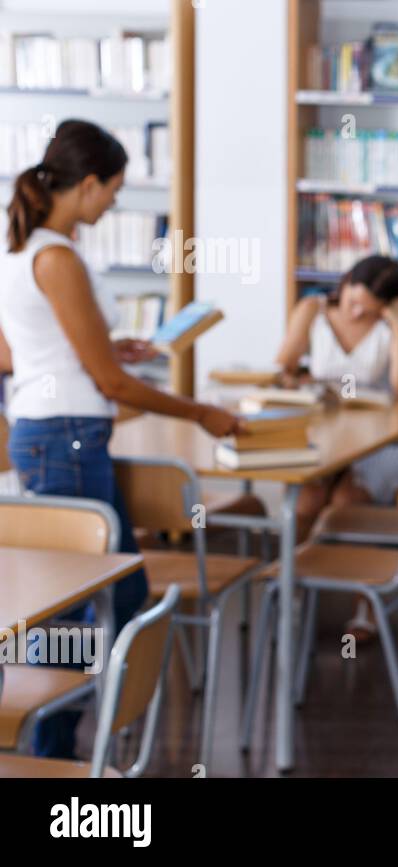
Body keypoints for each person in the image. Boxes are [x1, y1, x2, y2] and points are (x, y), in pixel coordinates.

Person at [0, 119, 244, 758]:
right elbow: (112, 385)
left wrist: (106, 346)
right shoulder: (58, 257)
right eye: (113, 188)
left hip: (52, 434)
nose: (114, 202)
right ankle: (51, 748)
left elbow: (23, 352)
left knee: (81, 598)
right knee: (101, 599)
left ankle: (52, 744)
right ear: (86, 184)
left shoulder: (24, 249)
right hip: (68, 438)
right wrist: (198, 412)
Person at [273, 254, 398, 637]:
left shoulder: (391, 326)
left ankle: (364, 608)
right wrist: (295, 369)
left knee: (348, 503)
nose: (356, 314)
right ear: (345, 282)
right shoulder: (313, 309)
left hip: (376, 439)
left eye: (368, 310)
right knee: (305, 502)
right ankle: (293, 592)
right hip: (325, 431)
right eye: (353, 302)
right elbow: (283, 365)